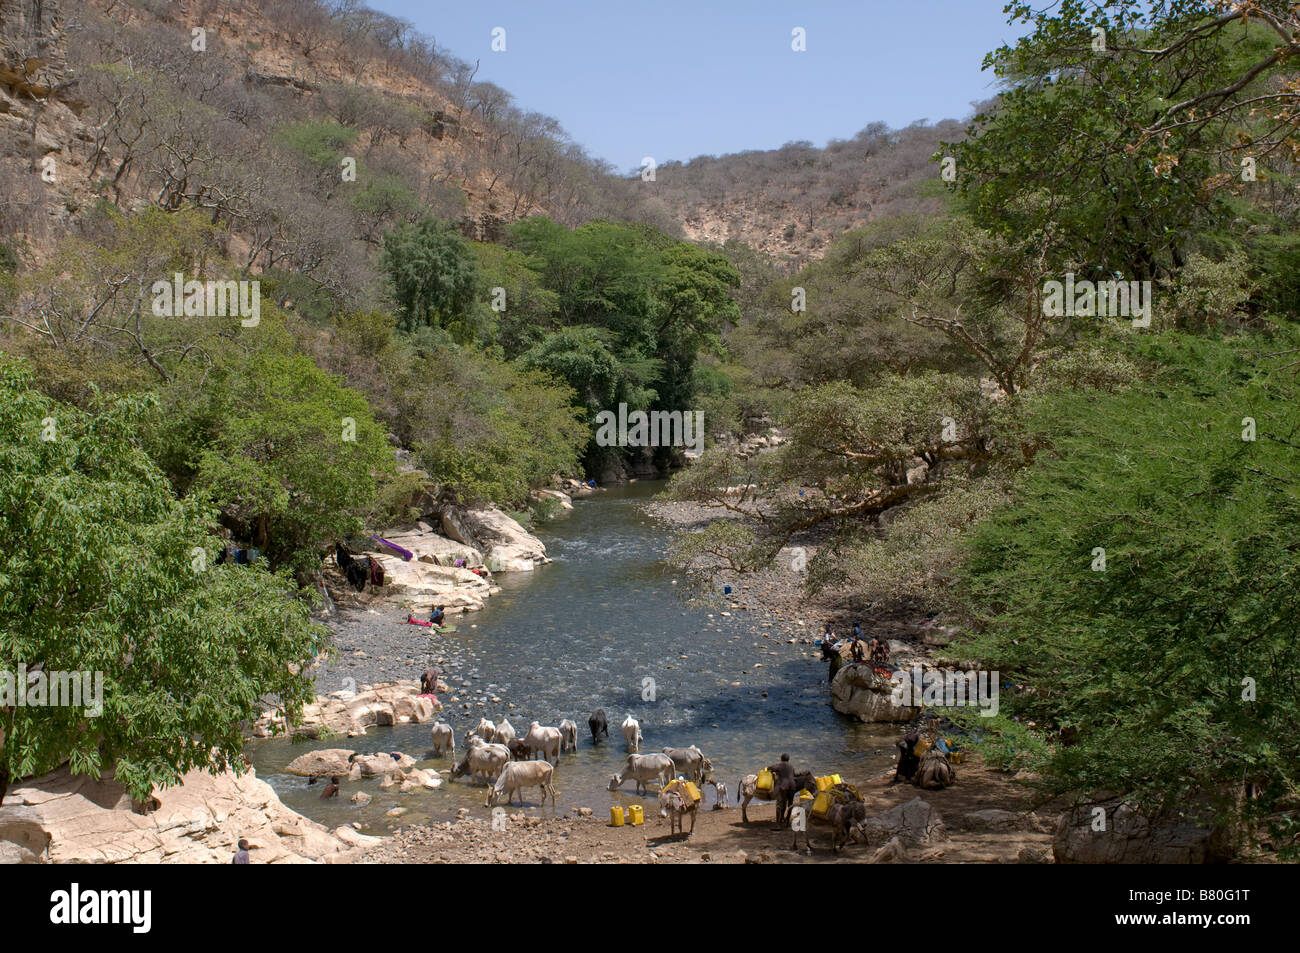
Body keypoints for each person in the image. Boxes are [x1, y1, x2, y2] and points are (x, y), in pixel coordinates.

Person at [768, 754, 796, 830]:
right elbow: (795, 774)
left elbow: (770, 768)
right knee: (790, 803)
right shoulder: (791, 766)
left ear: (781, 759)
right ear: (788, 759)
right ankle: (787, 822)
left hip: (784, 786)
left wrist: (768, 768)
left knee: (780, 804)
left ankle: (778, 825)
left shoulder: (780, 765)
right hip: (793, 786)